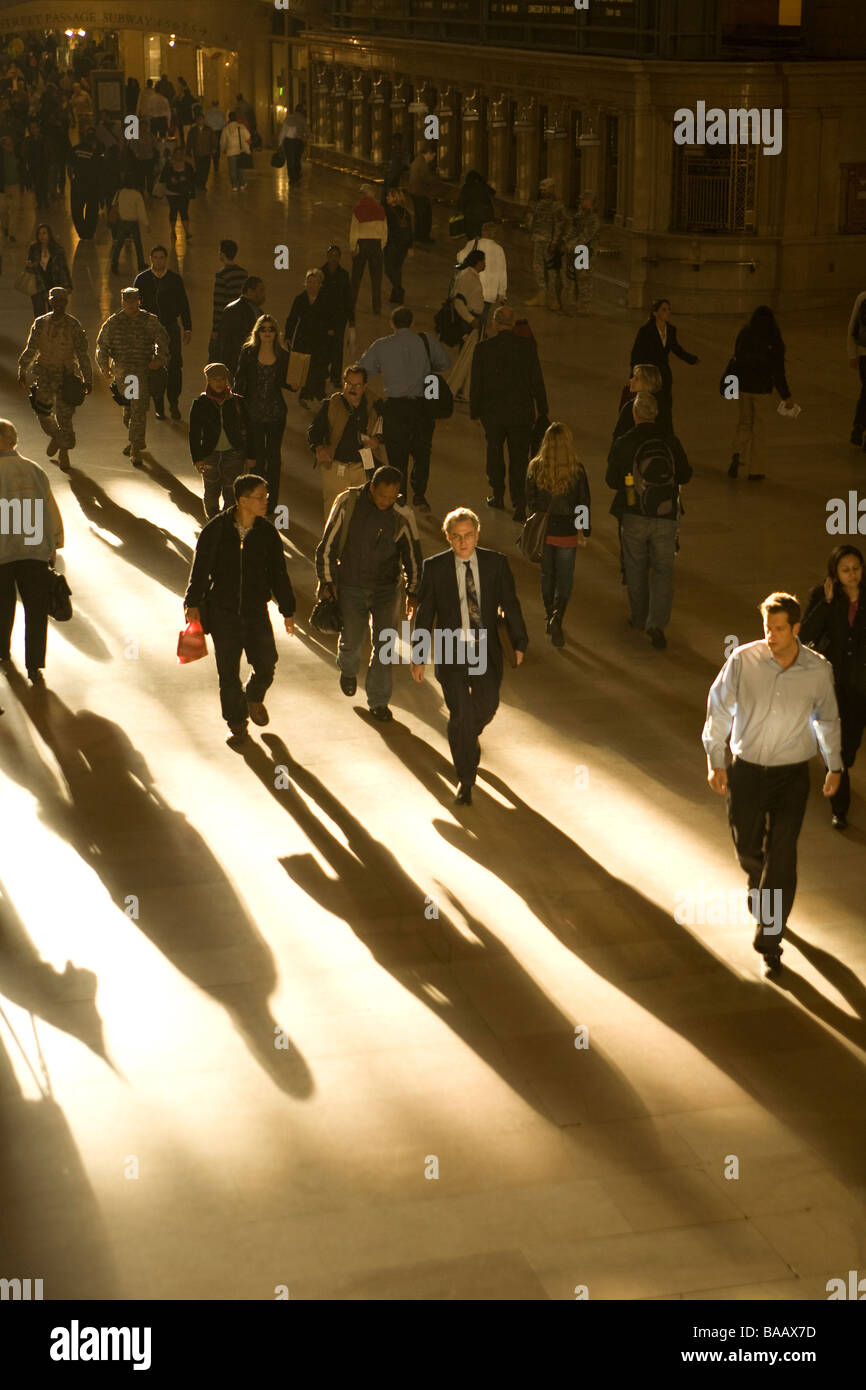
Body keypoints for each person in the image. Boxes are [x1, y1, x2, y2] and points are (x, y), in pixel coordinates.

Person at [702, 592, 842, 977]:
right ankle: (760, 889)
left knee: (782, 857)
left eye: (780, 629)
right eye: (768, 627)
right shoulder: (744, 661)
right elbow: (718, 708)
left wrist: (833, 765)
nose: (772, 635)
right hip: (746, 771)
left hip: (791, 776)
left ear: (797, 628)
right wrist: (716, 760)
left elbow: (827, 719)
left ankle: (770, 937)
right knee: (749, 849)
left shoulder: (817, 670)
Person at [411, 507, 528, 804]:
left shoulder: (495, 564)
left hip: (486, 648)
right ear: (448, 538)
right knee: (460, 712)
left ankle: (466, 736)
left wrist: (519, 642)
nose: (463, 543)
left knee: (487, 704)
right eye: (457, 537)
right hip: (452, 648)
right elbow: (425, 614)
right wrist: (419, 654)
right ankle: (465, 778)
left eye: (468, 536)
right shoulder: (435, 568)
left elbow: (510, 604)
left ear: (477, 535)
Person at [184, 472, 295, 740]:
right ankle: (236, 723)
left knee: (267, 662)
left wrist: (288, 610)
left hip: (256, 611)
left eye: (265, 497)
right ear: (243, 501)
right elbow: (201, 569)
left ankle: (254, 696)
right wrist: (193, 602)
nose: (265, 502)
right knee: (228, 672)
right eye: (260, 497)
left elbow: (279, 573)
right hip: (224, 613)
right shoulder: (216, 530)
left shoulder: (267, 533)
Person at [315, 465, 422, 722]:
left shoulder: (402, 515)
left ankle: (378, 701)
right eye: (382, 496)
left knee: (385, 646)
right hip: (351, 586)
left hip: (387, 590)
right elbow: (326, 546)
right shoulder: (347, 502)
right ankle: (348, 669)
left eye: (392, 497)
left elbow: (413, 557)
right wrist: (328, 583)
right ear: (371, 487)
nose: (387, 502)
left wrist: (413, 591)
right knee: (352, 639)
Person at [606, 391, 691, 650]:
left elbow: (610, 480)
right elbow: (686, 474)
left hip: (633, 513)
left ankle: (639, 617)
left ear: (634, 414)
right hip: (665, 515)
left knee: (636, 566)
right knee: (664, 570)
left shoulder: (625, 441)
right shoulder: (669, 439)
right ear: (656, 414)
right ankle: (657, 623)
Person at [358, 305, 450, 511]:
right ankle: (420, 495)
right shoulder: (426, 341)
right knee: (422, 452)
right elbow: (444, 363)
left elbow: (362, 370)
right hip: (422, 407)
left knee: (396, 455)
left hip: (395, 409)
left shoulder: (381, 346)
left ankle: (400, 498)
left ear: (391, 324)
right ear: (412, 322)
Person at [800, 546, 866, 830]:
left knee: (848, 747)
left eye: (856, 568)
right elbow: (804, 635)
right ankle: (840, 808)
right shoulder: (823, 596)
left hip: (862, 685)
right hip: (834, 684)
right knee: (836, 749)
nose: (852, 574)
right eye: (845, 569)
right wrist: (826, 603)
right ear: (835, 574)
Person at [0, 417, 65, 685]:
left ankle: (2, 652)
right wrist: (55, 544)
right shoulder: (35, 470)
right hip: (35, 550)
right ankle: (34, 664)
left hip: (2, 553)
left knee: (1, 607)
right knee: (36, 610)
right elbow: (50, 507)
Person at [469, 303, 547, 522]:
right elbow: (537, 381)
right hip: (521, 413)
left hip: (493, 413)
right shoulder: (528, 347)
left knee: (494, 453)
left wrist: (475, 412)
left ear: (494, 323)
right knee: (520, 458)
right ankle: (520, 504)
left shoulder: (483, 348)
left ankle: (497, 494)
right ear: (513, 325)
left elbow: (477, 384)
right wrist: (543, 409)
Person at [525, 423, 591, 647]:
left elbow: (530, 501)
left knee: (547, 575)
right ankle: (557, 617)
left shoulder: (535, 468)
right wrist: (584, 530)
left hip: (545, 532)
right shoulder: (576, 469)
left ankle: (548, 614)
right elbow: (583, 503)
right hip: (567, 532)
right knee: (565, 578)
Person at [17, 285, 92, 473]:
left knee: (64, 416)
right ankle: (58, 437)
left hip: (66, 376)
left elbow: (83, 354)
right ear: (50, 302)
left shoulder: (74, 326)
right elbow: (32, 348)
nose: (57, 305)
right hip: (45, 374)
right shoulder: (41, 323)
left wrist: (87, 378)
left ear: (65, 303)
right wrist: (22, 369)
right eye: (54, 301)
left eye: (61, 302)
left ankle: (64, 452)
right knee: (42, 413)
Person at [95, 287, 170, 467]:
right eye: (126, 302)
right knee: (128, 413)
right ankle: (135, 439)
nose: (130, 305)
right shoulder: (114, 323)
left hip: (141, 372)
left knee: (137, 410)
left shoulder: (149, 321)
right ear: (122, 303)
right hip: (124, 375)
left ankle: (136, 448)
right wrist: (104, 366)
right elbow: (102, 346)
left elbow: (163, 341)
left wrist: (159, 360)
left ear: (138, 301)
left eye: (133, 301)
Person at [727, 305, 797, 481]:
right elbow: (778, 371)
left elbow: (737, 358)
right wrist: (786, 395)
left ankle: (737, 453)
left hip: (744, 387)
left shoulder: (745, 334)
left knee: (744, 423)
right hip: (762, 390)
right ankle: (756, 470)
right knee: (759, 428)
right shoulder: (774, 340)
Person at [307, 364, 385, 518]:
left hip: (362, 468)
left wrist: (377, 439)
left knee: (360, 515)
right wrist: (318, 448)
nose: (352, 388)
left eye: (357, 385)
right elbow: (314, 431)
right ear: (343, 383)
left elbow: (388, 427)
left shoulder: (374, 404)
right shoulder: (331, 404)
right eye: (349, 384)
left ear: (364, 387)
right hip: (335, 467)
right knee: (334, 515)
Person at [234, 316, 291, 515]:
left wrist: (296, 383)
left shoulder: (283, 355)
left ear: (276, 333)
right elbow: (239, 381)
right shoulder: (248, 352)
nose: (267, 332)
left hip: (276, 414)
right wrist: (237, 406)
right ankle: (256, 500)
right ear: (257, 332)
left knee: (274, 458)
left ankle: (271, 503)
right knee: (256, 458)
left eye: (271, 329)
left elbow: (287, 383)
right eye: (263, 329)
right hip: (254, 414)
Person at [134, 244, 192, 421]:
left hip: (170, 328)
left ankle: (173, 402)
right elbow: (134, 306)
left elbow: (183, 303)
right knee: (155, 367)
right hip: (149, 330)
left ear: (165, 259)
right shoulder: (142, 280)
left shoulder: (174, 279)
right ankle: (159, 405)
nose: (158, 261)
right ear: (151, 259)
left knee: (174, 366)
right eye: (155, 258)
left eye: (162, 258)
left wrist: (187, 327)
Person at [188, 363, 253, 519]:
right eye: (214, 379)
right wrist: (197, 458)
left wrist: (251, 455)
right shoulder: (200, 404)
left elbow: (250, 430)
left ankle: (226, 524)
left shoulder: (237, 402)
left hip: (234, 454)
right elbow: (194, 434)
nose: (219, 383)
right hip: (210, 454)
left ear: (227, 381)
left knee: (231, 492)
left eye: (222, 379)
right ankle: (213, 522)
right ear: (208, 381)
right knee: (211, 491)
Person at [629, 297, 698, 436]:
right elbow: (636, 353)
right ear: (655, 313)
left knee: (665, 404)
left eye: (669, 309)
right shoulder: (646, 330)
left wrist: (691, 359)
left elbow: (676, 348)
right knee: (648, 403)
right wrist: (634, 375)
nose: (668, 312)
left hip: (664, 373)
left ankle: (666, 432)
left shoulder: (671, 330)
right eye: (664, 309)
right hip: (649, 373)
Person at [284, 269, 331, 410]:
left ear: (320, 284)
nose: (311, 285)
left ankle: (318, 392)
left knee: (319, 365)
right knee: (305, 366)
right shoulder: (300, 299)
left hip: (320, 338)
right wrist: (288, 336)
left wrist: (331, 331)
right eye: (309, 282)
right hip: (303, 338)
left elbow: (332, 317)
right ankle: (305, 394)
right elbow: (292, 318)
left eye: (315, 282)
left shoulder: (325, 299)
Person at [447, 248, 486, 402]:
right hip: (470, 324)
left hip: (473, 323)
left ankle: (464, 391)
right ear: (478, 262)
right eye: (483, 261)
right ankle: (458, 390)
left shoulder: (470, 275)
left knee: (470, 358)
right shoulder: (467, 277)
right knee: (467, 358)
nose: (485, 264)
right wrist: (471, 320)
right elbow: (458, 302)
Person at [457, 221, 507, 336]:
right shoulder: (499, 249)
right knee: (482, 318)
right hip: (489, 293)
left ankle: (467, 338)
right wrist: (501, 292)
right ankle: (478, 338)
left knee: (469, 315)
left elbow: (460, 257)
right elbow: (502, 272)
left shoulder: (473, 243)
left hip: (472, 288)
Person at [525, 178, 567, 310]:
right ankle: (541, 296)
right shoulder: (538, 204)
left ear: (552, 189)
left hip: (550, 243)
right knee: (537, 269)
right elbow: (532, 224)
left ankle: (554, 300)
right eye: (541, 190)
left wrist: (555, 243)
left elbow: (560, 226)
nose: (543, 192)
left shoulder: (558, 206)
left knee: (552, 272)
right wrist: (528, 216)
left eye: (545, 189)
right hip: (538, 240)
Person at [318, 244, 356, 391]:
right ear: (327, 256)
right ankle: (323, 372)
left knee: (337, 348)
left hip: (339, 318)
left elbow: (348, 298)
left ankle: (335, 377)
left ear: (339, 258)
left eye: (336, 256)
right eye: (331, 255)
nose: (333, 259)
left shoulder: (344, 275)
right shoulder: (320, 273)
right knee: (323, 346)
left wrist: (351, 319)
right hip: (324, 317)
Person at [349, 184, 387, 316]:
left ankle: (351, 305)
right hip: (376, 245)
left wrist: (353, 247)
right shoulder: (380, 209)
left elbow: (354, 231)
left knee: (356, 278)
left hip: (362, 245)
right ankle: (376, 308)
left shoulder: (358, 209)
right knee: (376, 280)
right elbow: (384, 232)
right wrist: (380, 246)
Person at [217, 277, 267, 378]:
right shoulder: (236, 310)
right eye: (261, 290)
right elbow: (229, 340)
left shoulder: (256, 311)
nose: (263, 294)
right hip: (240, 362)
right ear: (250, 291)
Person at [563, 189, 601, 315]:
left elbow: (586, 236)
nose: (582, 203)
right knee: (572, 277)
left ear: (591, 202)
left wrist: (571, 245)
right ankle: (572, 303)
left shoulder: (594, 219)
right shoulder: (579, 216)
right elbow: (573, 231)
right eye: (582, 200)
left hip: (585, 251)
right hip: (574, 250)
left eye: (585, 200)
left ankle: (584, 305)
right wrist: (565, 241)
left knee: (583, 278)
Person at [25, 222, 72, 317]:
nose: (42, 236)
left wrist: (68, 285)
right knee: (39, 314)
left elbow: (64, 268)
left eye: (44, 233)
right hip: (38, 285)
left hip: (53, 283)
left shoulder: (58, 250)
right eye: (40, 234)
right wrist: (30, 266)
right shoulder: (34, 248)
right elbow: (29, 266)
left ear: (49, 235)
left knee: (55, 312)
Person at [210, 239, 248, 355]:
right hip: (240, 319)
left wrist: (215, 329)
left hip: (225, 322)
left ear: (222, 254)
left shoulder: (221, 275)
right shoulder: (243, 273)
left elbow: (219, 303)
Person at [611, 362, 663, 442]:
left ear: (647, 381)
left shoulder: (631, 407)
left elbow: (618, 436)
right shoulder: (660, 406)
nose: (631, 380)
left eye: (636, 378)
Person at [108, 173, 149, 275]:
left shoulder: (120, 193)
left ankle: (114, 263)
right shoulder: (137, 195)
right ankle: (140, 263)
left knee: (119, 243)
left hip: (122, 222)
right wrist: (146, 224)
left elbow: (113, 204)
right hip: (133, 222)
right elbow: (141, 211)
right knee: (138, 243)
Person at [67, 127, 102, 237]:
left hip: (78, 183)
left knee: (76, 209)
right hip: (92, 185)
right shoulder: (95, 153)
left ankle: (81, 231)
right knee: (92, 208)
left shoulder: (75, 149)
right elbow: (99, 169)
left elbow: (70, 166)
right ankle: (89, 231)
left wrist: (71, 180)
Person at [383, 188, 413, 307]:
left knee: (389, 270)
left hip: (391, 244)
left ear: (394, 198)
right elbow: (409, 230)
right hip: (403, 246)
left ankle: (398, 290)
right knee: (397, 270)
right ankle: (396, 294)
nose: (387, 198)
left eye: (389, 196)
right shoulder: (406, 213)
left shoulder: (387, 212)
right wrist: (410, 246)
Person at [163, 147, 196, 243]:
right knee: (173, 211)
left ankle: (186, 232)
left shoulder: (188, 166)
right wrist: (170, 180)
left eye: (180, 154)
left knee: (184, 211)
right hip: (171, 192)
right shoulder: (169, 166)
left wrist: (185, 179)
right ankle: (173, 231)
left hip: (183, 193)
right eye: (176, 153)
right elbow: (164, 177)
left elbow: (193, 179)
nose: (178, 156)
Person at [407, 147, 437, 244]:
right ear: (428, 153)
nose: (433, 158)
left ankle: (417, 235)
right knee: (425, 216)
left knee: (419, 215)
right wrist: (436, 177)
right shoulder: (422, 164)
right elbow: (427, 179)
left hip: (414, 192)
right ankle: (424, 237)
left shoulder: (417, 160)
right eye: (433, 156)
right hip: (421, 193)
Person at [456, 169, 496, 240]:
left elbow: (461, 201)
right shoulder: (483, 185)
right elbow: (492, 192)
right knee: (482, 237)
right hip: (484, 216)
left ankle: (474, 248)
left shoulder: (466, 187)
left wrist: (459, 211)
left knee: (472, 237)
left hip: (470, 216)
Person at [22, 120, 52, 208]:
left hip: (44, 165)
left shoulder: (45, 139)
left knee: (44, 183)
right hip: (33, 166)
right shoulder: (28, 141)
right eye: (32, 128)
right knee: (37, 184)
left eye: (35, 128)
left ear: (39, 128)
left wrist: (50, 162)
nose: (34, 130)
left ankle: (45, 200)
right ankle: (39, 201)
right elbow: (24, 153)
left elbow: (49, 151)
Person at [279, 105, 311, 185]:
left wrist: (280, 143)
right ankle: (296, 176)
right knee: (297, 159)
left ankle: (291, 178)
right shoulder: (302, 119)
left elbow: (283, 131)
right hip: (298, 142)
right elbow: (308, 132)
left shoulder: (288, 118)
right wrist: (305, 138)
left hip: (287, 142)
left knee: (290, 160)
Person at [221, 111, 251, 192]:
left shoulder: (226, 129)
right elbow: (248, 137)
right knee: (241, 169)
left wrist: (223, 149)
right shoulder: (241, 127)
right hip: (240, 151)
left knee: (232, 170)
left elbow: (223, 141)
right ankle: (242, 184)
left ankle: (234, 185)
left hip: (231, 152)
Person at [185, 111, 214, 190]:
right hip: (197, 153)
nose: (200, 121)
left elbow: (213, 140)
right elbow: (189, 141)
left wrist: (213, 149)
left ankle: (203, 184)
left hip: (207, 153)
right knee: (198, 169)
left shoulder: (209, 130)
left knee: (206, 170)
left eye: (201, 119)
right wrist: (188, 151)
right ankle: (199, 184)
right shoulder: (193, 131)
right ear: (196, 121)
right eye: (198, 119)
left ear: (204, 120)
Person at [204, 100, 226, 172]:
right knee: (217, 148)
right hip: (218, 132)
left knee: (211, 147)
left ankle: (213, 162)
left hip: (210, 132)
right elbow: (223, 124)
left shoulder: (208, 113)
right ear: (218, 104)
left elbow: (206, 123)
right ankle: (216, 163)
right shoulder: (221, 113)